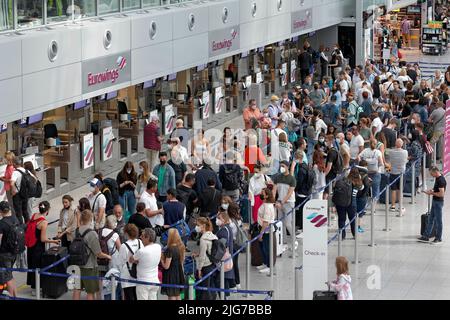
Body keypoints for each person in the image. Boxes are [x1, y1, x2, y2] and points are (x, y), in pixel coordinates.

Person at [72, 209, 111, 300]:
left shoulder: (77, 231)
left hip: (77, 264)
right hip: (89, 266)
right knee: (90, 292)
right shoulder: (92, 233)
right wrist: (107, 256)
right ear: (91, 219)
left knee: (77, 289)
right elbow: (98, 253)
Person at [26, 201, 60, 296]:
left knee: (31, 265)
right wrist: (53, 241)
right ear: (48, 210)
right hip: (38, 247)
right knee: (38, 266)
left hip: (30, 246)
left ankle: (33, 287)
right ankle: (37, 288)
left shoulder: (34, 215)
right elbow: (43, 239)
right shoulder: (44, 222)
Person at [129, 228, 161, 300]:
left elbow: (131, 259)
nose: (140, 237)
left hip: (143, 282)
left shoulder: (142, 251)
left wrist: (136, 261)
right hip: (154, 281)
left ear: (148, 238)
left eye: (142, 236)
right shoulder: (158, 247)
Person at [273, 161, 297, 255]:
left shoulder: (292, 179)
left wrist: (282, 202)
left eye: (283, 166)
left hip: (289, 203)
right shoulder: (277, 177)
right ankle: (284, 242)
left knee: (288, 224)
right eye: (280, 166)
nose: (281, 168)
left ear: (287, 167)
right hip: (279, 203)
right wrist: (274, 201)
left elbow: (289, 193)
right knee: (280, 224)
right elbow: (274, 190)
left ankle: (294, 240)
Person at [418, 166, 447, 244]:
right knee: (431, 219)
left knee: (438, 221)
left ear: (435, 172)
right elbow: (438, 190)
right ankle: (426, 236)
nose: (431, 175)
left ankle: (438, 238)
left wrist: (431, 193)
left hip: (438, 203)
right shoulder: (438, 178)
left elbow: (441, 194)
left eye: (431, 173)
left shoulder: (441, 180)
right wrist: (432, 190)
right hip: (435, 202)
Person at [193, 217, 218, 300]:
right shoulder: (212, 235)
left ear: (203, 226)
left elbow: (203, 257)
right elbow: (208, 250)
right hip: (212, 264)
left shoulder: (203, 239)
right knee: (211, 286)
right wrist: (199, 253)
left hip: (206, 266)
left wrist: (199, 269)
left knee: (204, 289)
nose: (196, 227)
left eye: (197, 225)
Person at [118, 223, 143, 300]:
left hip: (127, 276)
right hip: (138, 274)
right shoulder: (140, 242)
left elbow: (121, 262)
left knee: (129, 297)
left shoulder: (124, 246)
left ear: (126, 233)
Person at [0, 201, 20, 297]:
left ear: (1, 211)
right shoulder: (15, 219)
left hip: (4, 254)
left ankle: (12, 297)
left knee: (7, 278)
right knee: (10, 275)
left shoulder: (2, 223)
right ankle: (15, 296)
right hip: (14, 252)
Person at [160, 228, 186, 300]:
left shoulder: (170, 249)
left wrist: (161, 259)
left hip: (171, 274)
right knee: (177, 294)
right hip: (179, 272)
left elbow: (166, 266)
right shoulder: (181, 246)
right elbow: (182, 261)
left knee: (171, 295)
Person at [215, 210, 235, 294]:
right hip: (228, 254)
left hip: (223, 257)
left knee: (222, 278)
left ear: (224, 220)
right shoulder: (228, 228)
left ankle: (224, 295)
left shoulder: (223, 231)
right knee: (225, 276)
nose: (217, 220)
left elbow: (222, 244)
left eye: (219, 218)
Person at [256, 188, 276, 274]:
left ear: (267, 196)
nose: (260, 194)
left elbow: (265, 222)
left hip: (267, 231)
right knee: (263, 248)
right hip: (262, 228)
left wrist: (261, 234)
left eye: (262, 193)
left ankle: (269, 266)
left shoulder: (268, 206)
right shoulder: (265, 204)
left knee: (267, 249)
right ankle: (265, 263)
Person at [387, 139, 408, 215]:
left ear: (395, 144)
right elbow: (406, 160)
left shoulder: (391, 152)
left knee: (393, 190)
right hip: (402, 173)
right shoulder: (405, 152)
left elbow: (389, 159)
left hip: (393, 173)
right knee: (400, 190)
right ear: (402, 144)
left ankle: (393, 206)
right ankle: (401, 205)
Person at [10, 158, 30, 225]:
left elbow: (12, 183)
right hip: (25, 194)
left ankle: (21, 227)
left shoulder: (15, 172)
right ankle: (28, 226)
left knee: (18, 213)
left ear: (15, 164)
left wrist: (13, 191)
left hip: (17, 195)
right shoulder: (26, 171)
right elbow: (35, 179)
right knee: (25, 211)